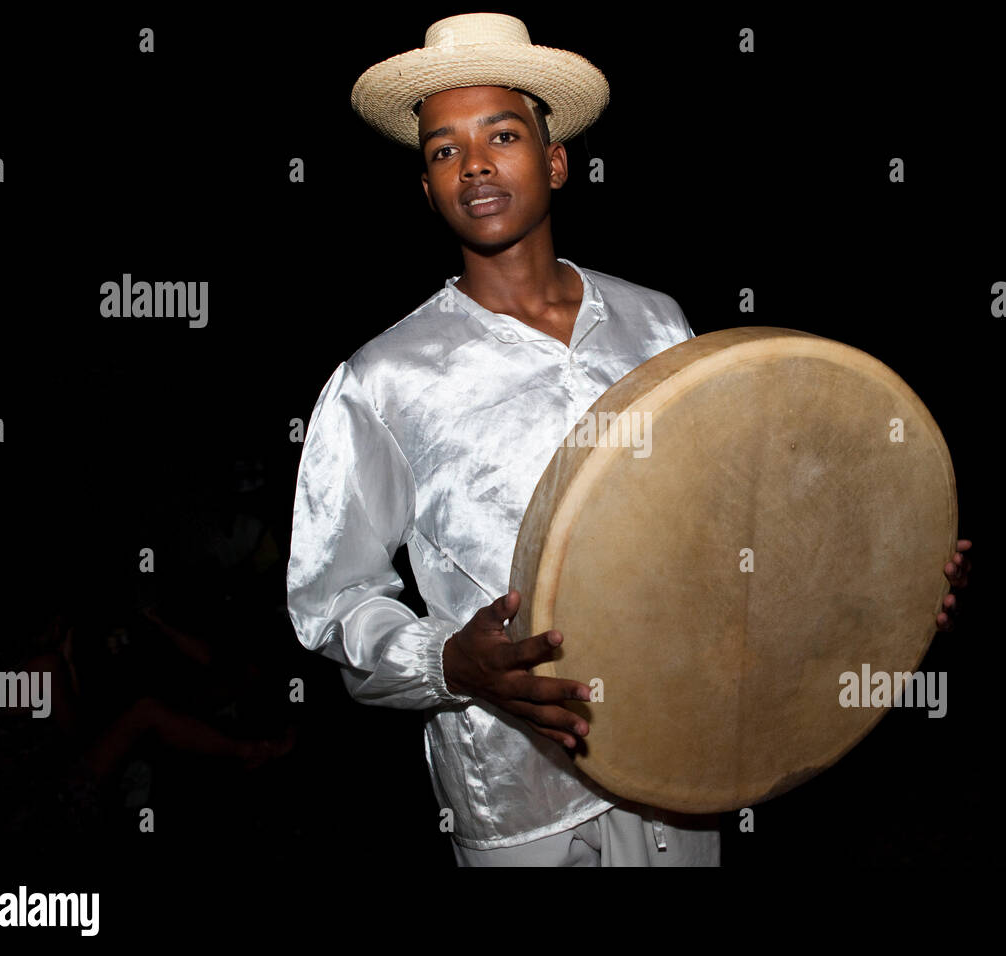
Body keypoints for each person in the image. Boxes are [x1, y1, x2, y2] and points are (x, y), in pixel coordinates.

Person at [286, 13, 971, 867]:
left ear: (557, 159)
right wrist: (449, 663)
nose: (475, 165)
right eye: (442, 150)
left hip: (687, 756)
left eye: (503, 134)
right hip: (520, 801)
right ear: (426, 188)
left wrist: (882, 582)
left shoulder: (656, 319)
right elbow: (334, 601)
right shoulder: (380, 380)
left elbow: (736, 525)